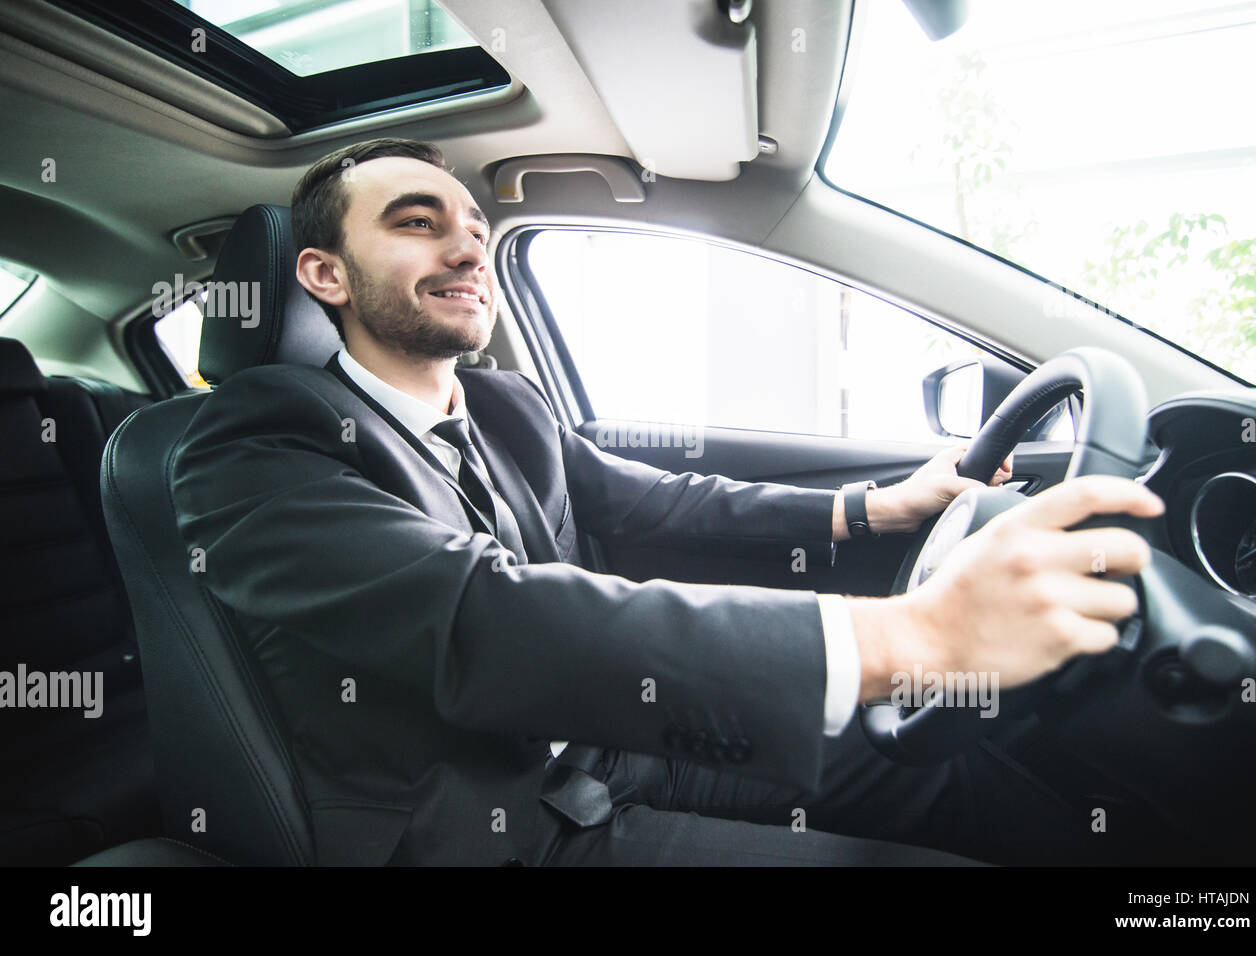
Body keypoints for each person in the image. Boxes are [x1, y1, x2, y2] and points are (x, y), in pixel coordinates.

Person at [170, 138, 1164, 866]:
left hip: (613, 747)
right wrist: (907, 635)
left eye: (474, 226)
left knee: (953, 771)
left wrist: (877, 510)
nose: (469, 249)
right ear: (323, 273)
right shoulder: (253, 445)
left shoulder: (506, 405)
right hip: (484, 825)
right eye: (417, 224)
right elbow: (483, 618)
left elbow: (658, 503)